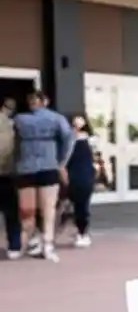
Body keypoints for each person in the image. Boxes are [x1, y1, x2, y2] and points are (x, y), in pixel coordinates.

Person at [14, 91, 75, 262]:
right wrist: (61, 161)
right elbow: (68, 139)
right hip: (48, 165)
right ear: (46, 102)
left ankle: (30, 241)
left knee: (27, 210)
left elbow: (13, 143)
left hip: (26, 167)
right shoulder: (57, 119)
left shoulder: (20, 120)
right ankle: (47, 244)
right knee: (48, 208)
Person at [62, 114, 97, 248]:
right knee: (67, 204)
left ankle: (82, 232)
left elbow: (97, 156)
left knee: (82, 204)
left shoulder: (91, 140)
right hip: (70, 174)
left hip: (85, 174)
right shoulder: (68, 139)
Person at [0, 95, 20, 259]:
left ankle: (14, 245)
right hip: (7, 174)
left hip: (6, 172)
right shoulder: (12, 124)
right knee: (11, 213)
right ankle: (14, 246)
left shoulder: (12, 123)